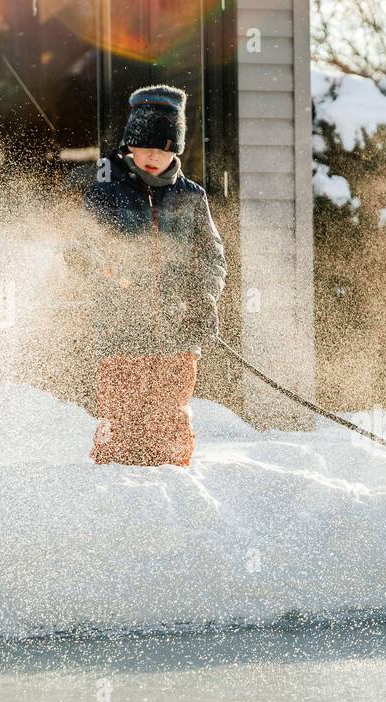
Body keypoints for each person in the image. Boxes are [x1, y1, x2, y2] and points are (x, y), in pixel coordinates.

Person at [73, 85, 226, 467]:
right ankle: (114, 491)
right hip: (122, 332)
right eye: (146, 146)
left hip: (178, 334)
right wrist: (87, 259)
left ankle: (173, 493)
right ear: (130, 146)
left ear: (177, 148)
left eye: (165, 146)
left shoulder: (192, 197)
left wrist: (204, 297)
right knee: (122, 421)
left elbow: (212, 257)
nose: (155, 155)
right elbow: (84, 243)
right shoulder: (107, 193)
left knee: (169, 421)